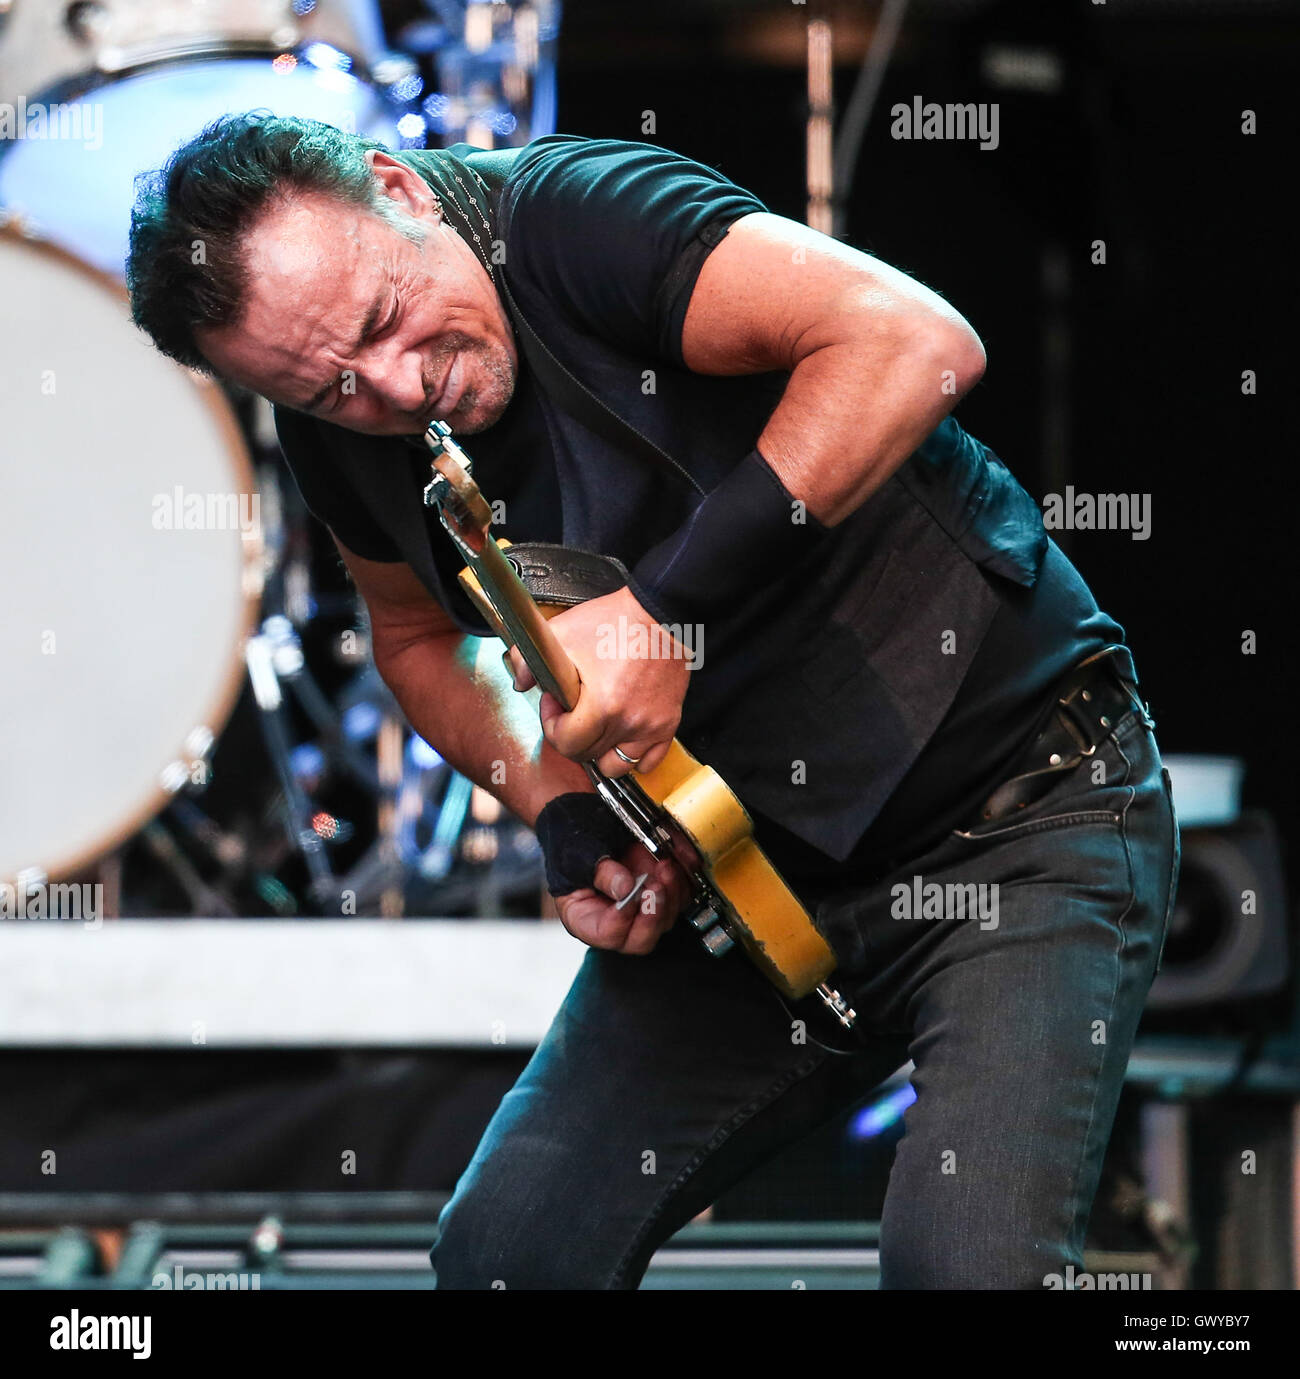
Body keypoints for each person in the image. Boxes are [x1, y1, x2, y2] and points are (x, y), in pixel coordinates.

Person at [127, 113, 1180, 1289]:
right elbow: (418, 637)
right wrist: (560, 806)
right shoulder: (340, 408)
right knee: (508, 1256)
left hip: (1015, 822)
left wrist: (662, 610)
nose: (392, 385)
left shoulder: (583, 215)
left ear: (400, 191)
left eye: (381, 320)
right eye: (329, 388)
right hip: (747, 881)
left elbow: (912, 338)